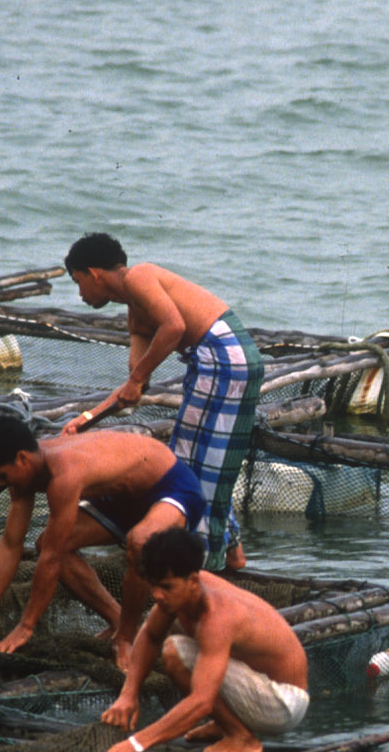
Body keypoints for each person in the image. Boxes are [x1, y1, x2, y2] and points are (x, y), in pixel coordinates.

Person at [61, 232, 263, 573]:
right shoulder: (136, 311)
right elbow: (133, 385)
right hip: (227, 360)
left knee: (190, 461)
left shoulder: (139, 276)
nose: (80, 294)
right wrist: (88, 418)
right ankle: (231, 551)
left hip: (223, 358)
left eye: (78, 282)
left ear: (94, 273)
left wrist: (138, 379)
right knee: (203, 458)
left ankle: (207, 563)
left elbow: (174, 326)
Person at [0, 415, 207, 660]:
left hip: (172, 489)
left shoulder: (65, 473)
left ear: (22, 458)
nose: (3, 484)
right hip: (121, 499)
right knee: (48, 543)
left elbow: (50, 560)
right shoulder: (21, 476)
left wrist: (25, 628)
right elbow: (10, 544)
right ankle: (117, 620)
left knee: (140, 542)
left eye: (2, 475)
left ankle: (126, 637)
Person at [101, 528, 308, 752]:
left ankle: (241, 738)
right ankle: (227, 724)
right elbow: (150, 636)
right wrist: (128, 694)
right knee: (165, 629)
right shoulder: (180, 593)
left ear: (194, 581)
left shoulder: (218, 617)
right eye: (154, 586)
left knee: (175, 651)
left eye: (166, 587)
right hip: (257, 682)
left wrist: (136, 744)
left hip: (283, 703)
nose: (157, 595)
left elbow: (201, 703)